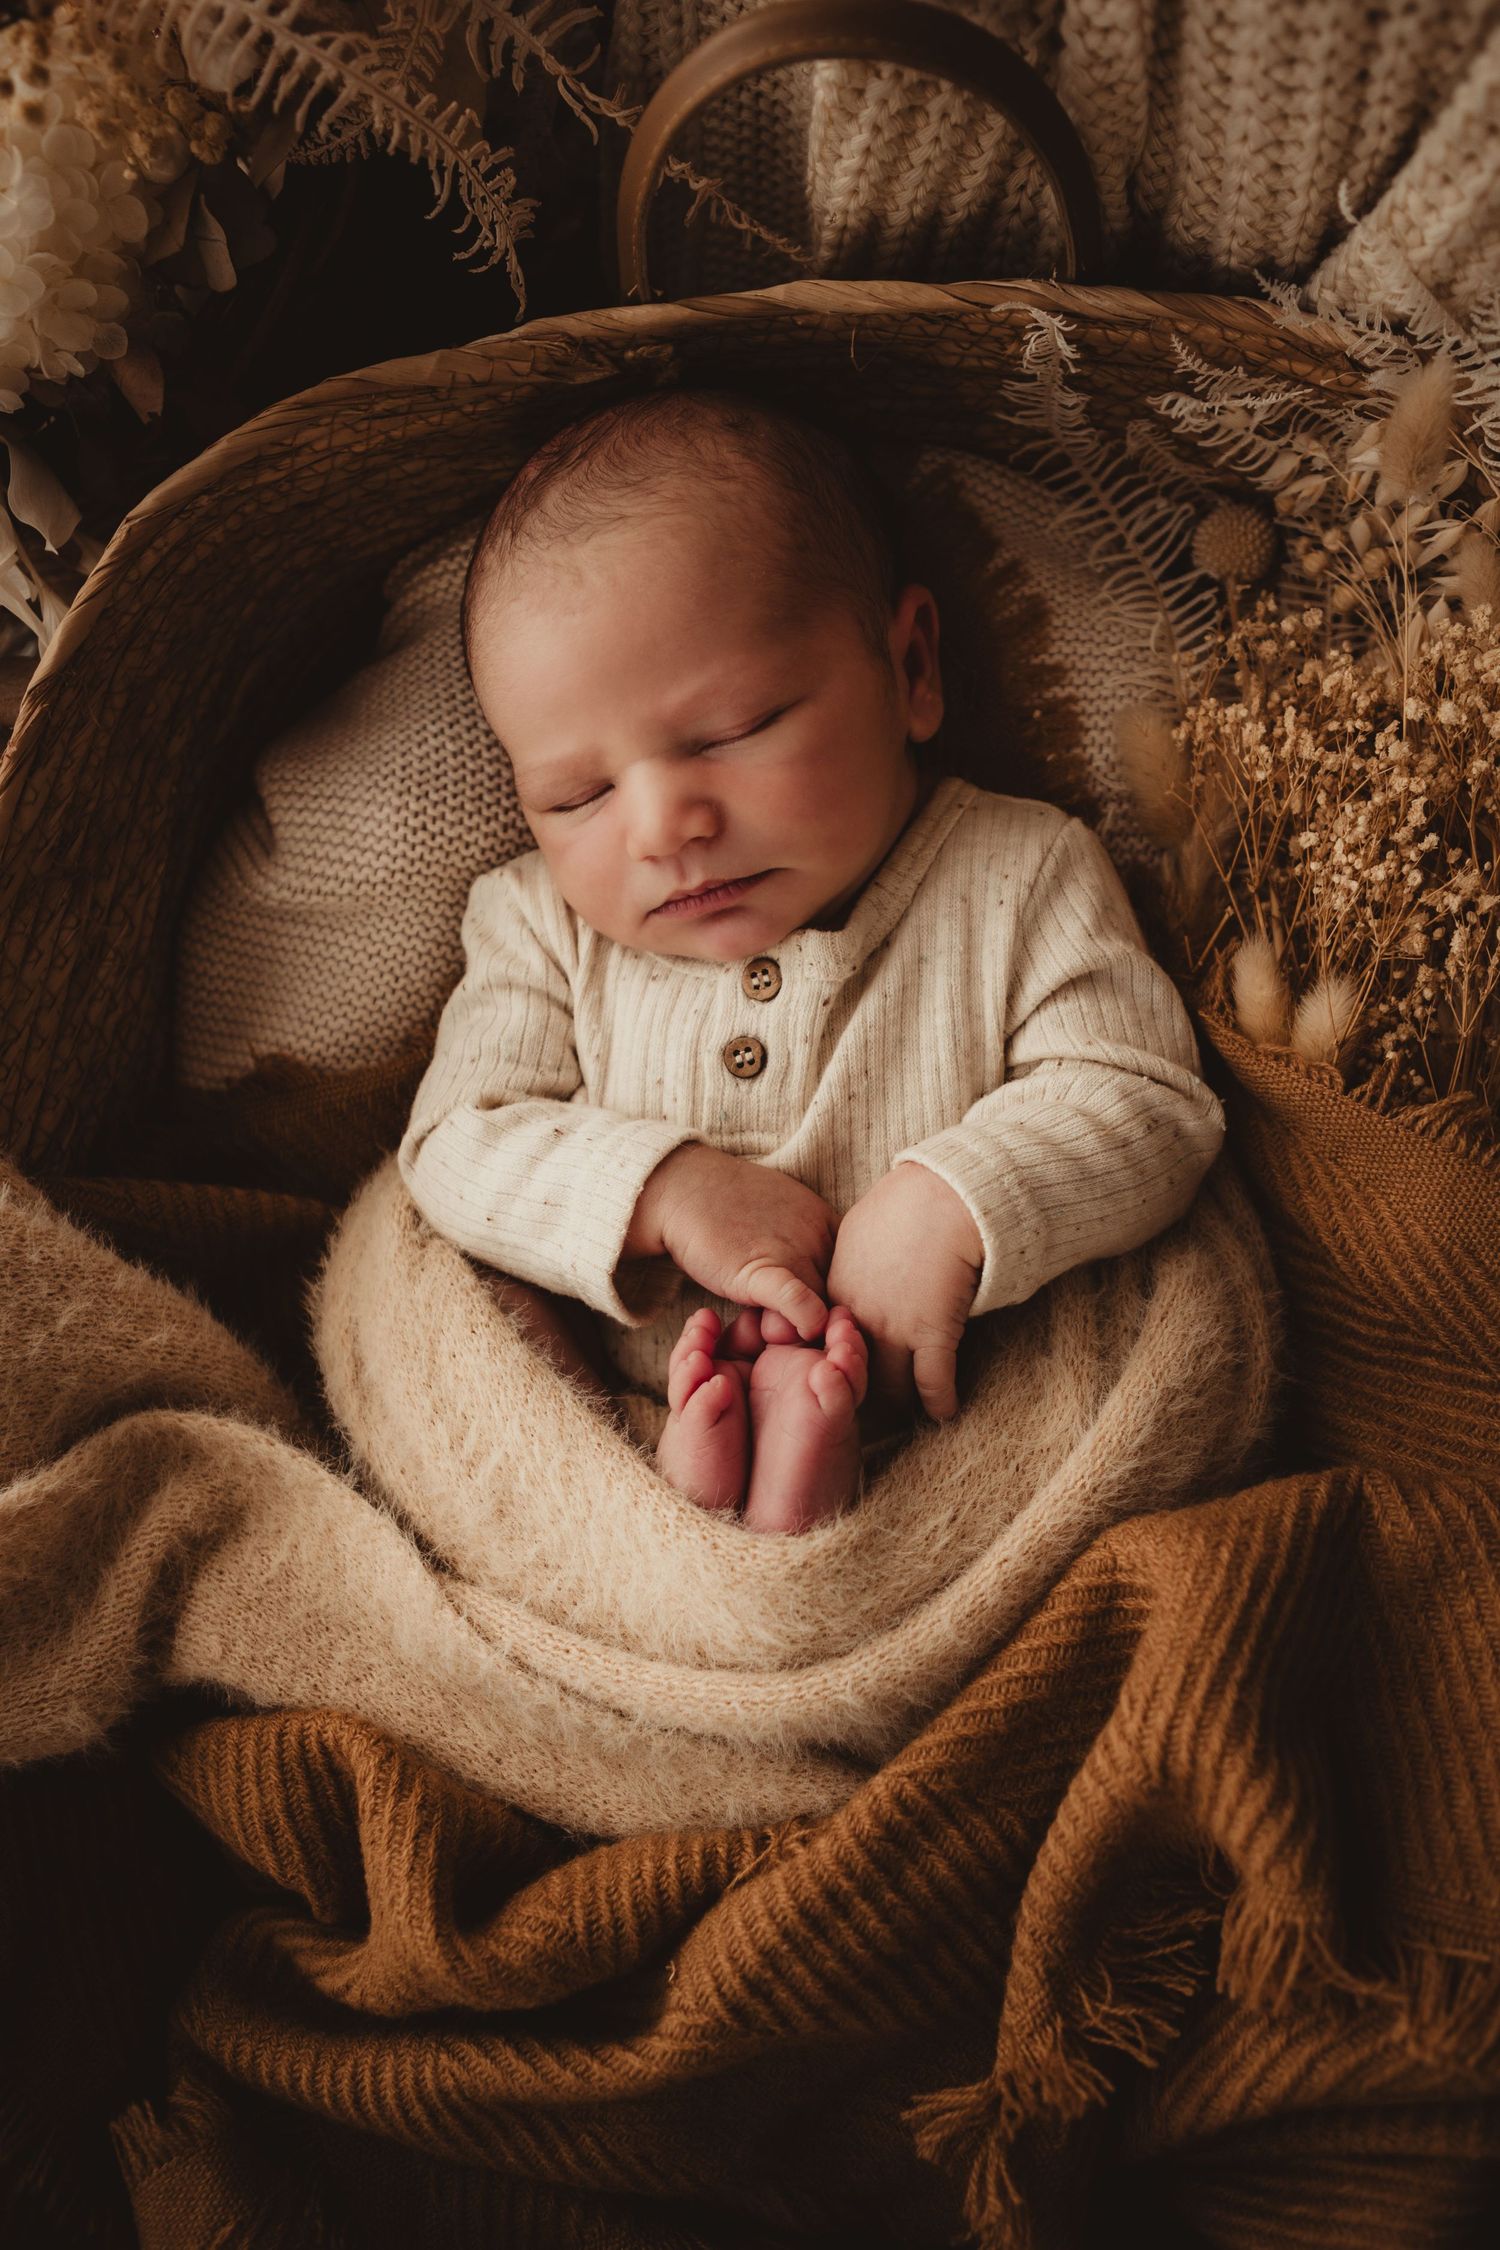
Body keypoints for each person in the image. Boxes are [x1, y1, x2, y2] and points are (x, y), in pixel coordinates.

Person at [397, 387, 1225, 1533]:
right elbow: (453, 1140)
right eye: (575, 795)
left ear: (911, 669)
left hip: (956, 1426)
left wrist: (954, 1204)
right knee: (426, 1300)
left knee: (1160, 1342)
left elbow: (1147, 1100)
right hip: (619, 1418)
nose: (660, 828)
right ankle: (670, 1524)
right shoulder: (537, 927)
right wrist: (663, 1191)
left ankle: (798, 1523)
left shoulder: (1019, 871)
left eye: (732, 731)